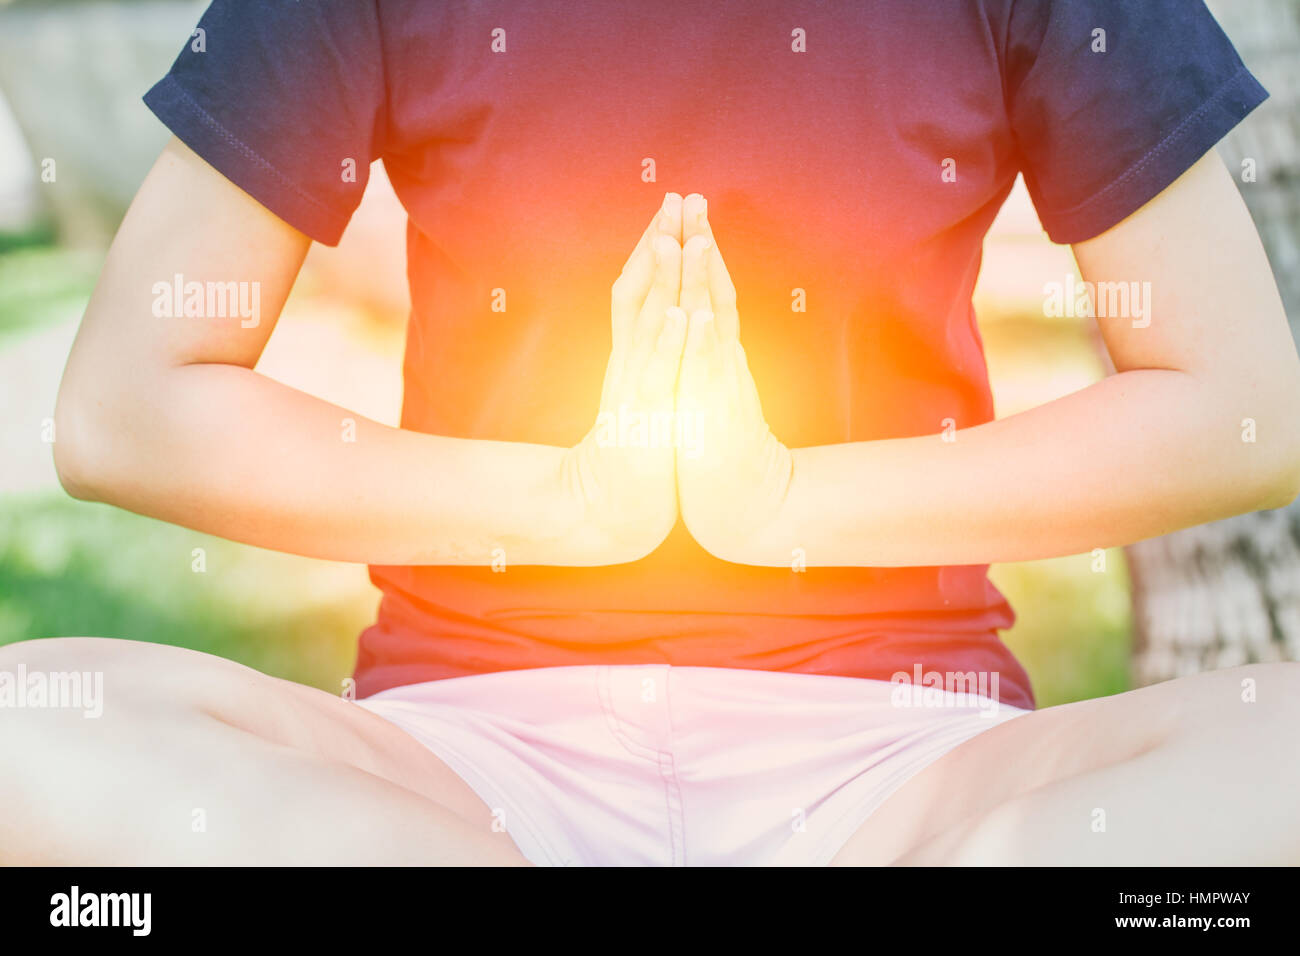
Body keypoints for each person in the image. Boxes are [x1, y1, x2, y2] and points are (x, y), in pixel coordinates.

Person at [4, 0, 1299, 865]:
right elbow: (129, 408)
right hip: (459, 771)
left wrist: (779, 501)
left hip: (907, 774)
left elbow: (1239, 403)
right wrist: (569, 501)